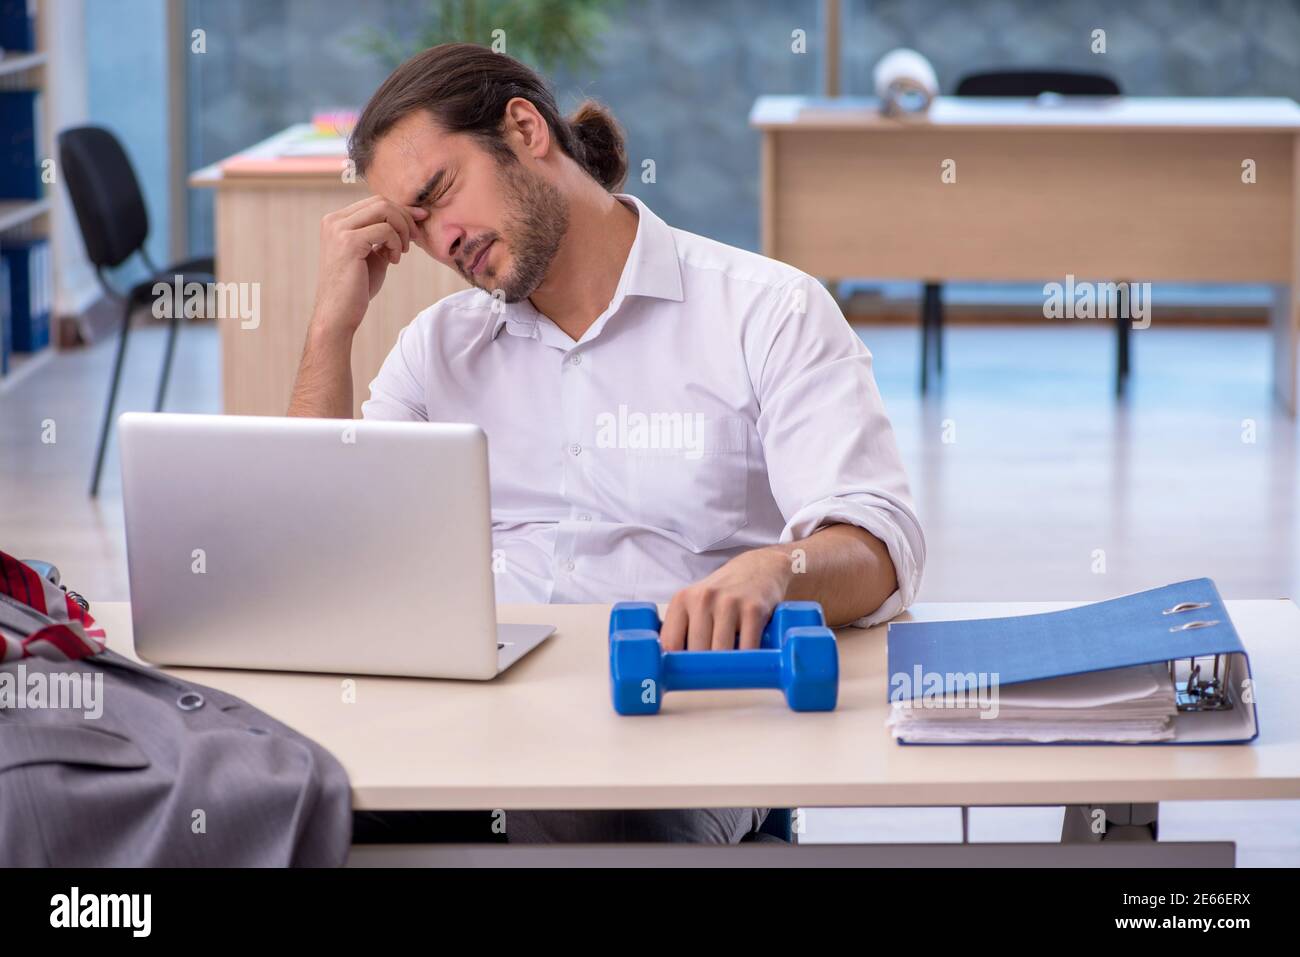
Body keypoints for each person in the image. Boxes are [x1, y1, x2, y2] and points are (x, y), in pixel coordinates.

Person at [289, 43, 925, 844]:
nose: (442, 239)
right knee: (285, 804)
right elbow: (318, 553)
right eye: (415, 226)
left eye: (440, 193)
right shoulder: (437, 346)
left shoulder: (767, 312)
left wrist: (774, 569)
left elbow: (879, 552)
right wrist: (330, 326)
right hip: (472, 721)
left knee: (586, 828)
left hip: (677, 722)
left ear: (524, 130)